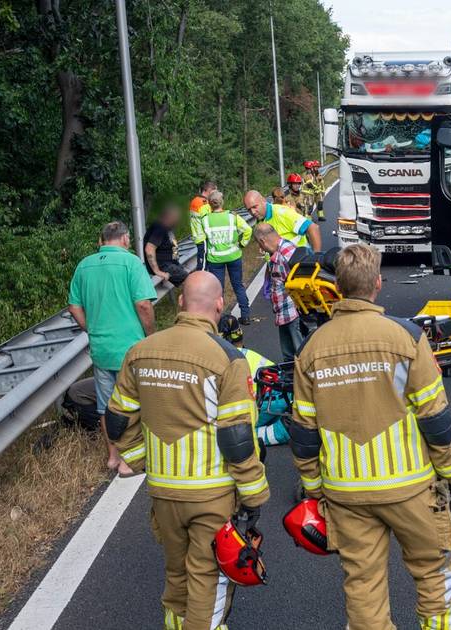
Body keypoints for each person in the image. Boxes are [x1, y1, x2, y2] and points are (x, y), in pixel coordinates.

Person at [289, 244, 451, 630]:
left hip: (346, 493)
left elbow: (304, 433)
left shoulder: (311, 351)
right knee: (435, 574)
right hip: (411, 488)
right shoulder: (406, 338)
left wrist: (314, 489)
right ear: (378, 284)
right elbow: (435, 417)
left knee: (363, 588)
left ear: (337, 287)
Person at [107, 272, 269, 630]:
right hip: (211, 494)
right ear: (218, 304)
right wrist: (254, 493)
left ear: (180, 302)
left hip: (163, 492)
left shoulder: (140, 352)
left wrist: (141, 461)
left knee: (177, 574)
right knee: (208, 582)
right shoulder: (227, 358)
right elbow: (237, 437)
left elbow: (117, 419)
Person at [67, 221, 157, 477]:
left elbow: (74, 307)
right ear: (126, 239)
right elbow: (143, 305)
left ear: (101, 239)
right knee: (134, 404)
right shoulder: (131, 263)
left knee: (106, 406)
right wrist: (150, 335)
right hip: (130, 347)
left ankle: (113, 456)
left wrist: (91, 329)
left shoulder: (84, 266)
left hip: (100, 348)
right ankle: (130, 461)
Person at [217, 314, 289, 447]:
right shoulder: (246, 353)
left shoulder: (223, 361)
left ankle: (279, 431)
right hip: (283, 393)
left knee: (232, 434)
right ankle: (284, 421)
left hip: (267, 400)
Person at [251, 223, 305, 360]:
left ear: (263, 241)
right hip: (284, 312)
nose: (260, 248)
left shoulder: (287, 252)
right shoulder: (277, 252)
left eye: (259, 244)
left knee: (300, 355)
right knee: (288, 356)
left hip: (293, 312)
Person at [200, 191, 253, 325]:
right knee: (238, 286)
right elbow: (248, 230)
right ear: (222, 202)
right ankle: (245, 315)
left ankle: (219, 320)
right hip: (233, 256)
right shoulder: (232, 217)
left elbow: (201, 240)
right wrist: (242, 244)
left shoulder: (205, 220)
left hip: (215, 259)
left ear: (210, 204)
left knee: (218, 290)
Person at [243, 190, 321, 253]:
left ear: (263, 200)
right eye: (249, 209)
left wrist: (316, 259)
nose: (253, 212)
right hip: (283, 267)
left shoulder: (281, 213)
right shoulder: (261, 220)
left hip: (301, 263)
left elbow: (313, 227)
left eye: (254, 207)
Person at [144, 205, 189, 286]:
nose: (177, 220)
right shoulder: (159, 228)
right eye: (176, 217)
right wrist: (157, 271)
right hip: (164, 266)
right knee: (191, 282)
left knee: (192, 280)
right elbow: (149, 249)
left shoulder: (167, 228)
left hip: (171, 264)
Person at [190, 180, 217, 269]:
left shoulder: (195, 201)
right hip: (203, 237)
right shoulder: (204, 203)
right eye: (214, 192)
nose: (215, 195)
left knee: (202, 262)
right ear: (209, 190)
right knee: (203, 266)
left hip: (197, 236)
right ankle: (201, 282)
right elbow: (209, 221)